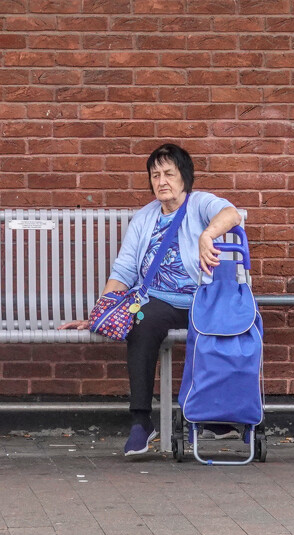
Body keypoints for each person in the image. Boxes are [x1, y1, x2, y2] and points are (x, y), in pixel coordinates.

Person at [59, 144, 243, 457]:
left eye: (169, 173)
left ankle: (210, 415)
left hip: (203, 298)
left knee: (216, 331)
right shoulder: (144, 218)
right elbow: (124, 271)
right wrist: (102, 313)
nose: (162, 181)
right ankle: (141, 422)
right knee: (140, 324)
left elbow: (232, 213)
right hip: (160, 301)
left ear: (184, 178)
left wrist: (206, 235)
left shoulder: (199, 204)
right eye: (155, 175)